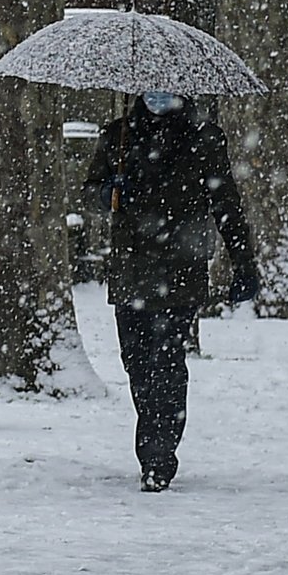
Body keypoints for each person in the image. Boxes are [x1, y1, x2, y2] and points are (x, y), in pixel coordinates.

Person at [90, 92, 252, 490]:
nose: (158, 96)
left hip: (181, 270)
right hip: (131, 270)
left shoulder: (204, 138)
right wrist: (110, 191)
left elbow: (225, 203)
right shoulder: (118, 136)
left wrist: (243, 261)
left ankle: (158, 455)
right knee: (136, 363)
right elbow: (91, 192)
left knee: (166, 362)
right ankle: (154, 440)